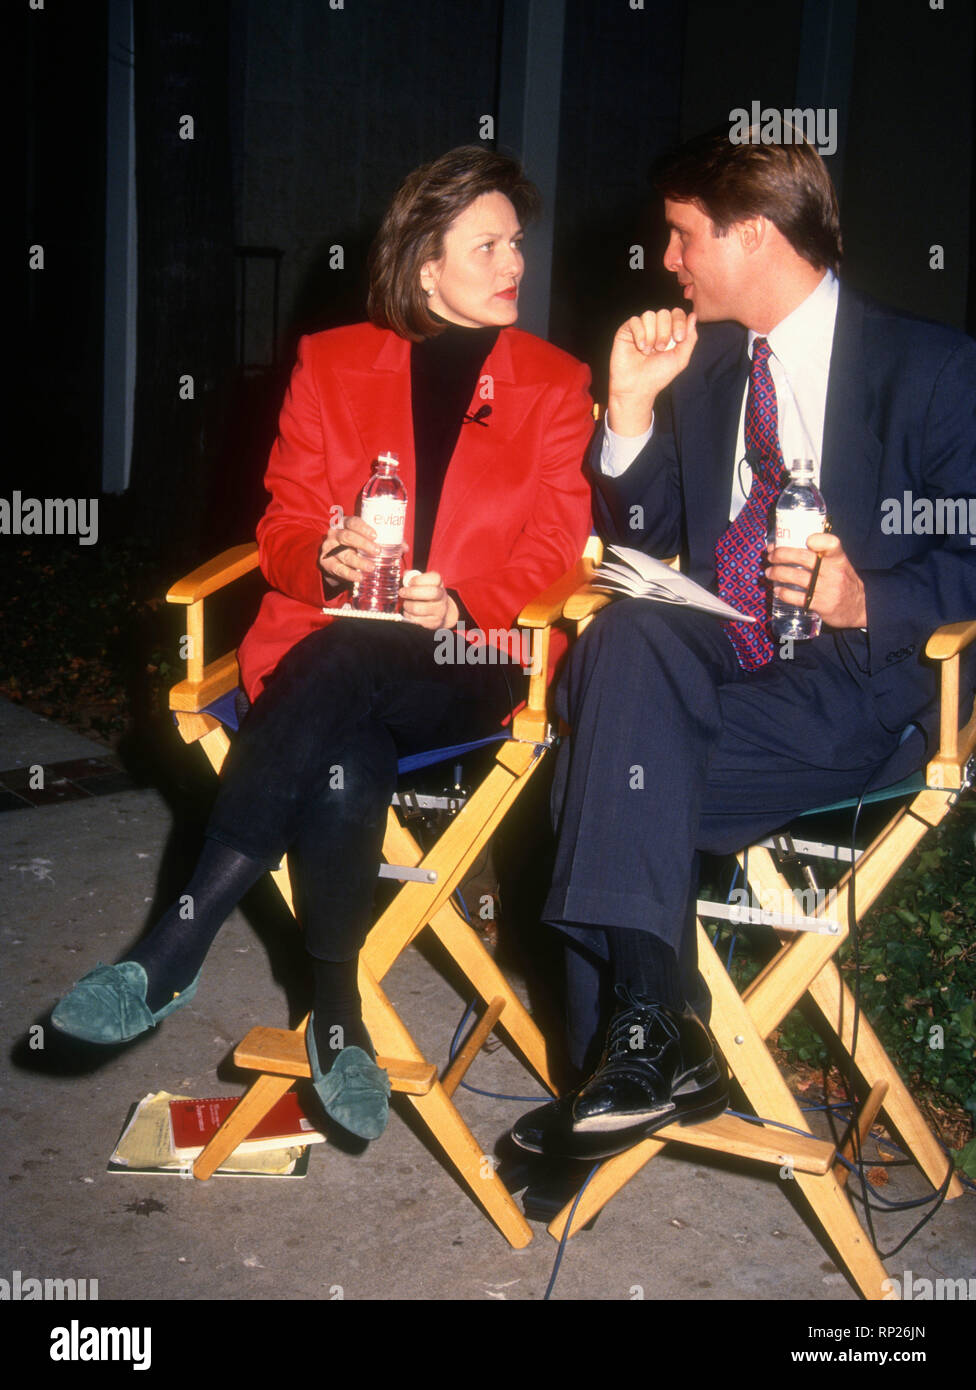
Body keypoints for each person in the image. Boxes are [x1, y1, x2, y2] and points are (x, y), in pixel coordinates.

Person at [53, 146, 594, 1142]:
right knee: (343, 753)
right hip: (332, 646)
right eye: (488, 244)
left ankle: (175, 943)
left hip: (470, 660)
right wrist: (330, 560)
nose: (514, 260)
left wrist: (462, 601)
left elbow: (558, 553)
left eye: (516, 242)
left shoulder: (554, 383)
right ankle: (338, 1016)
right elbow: (283, 525)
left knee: (341, 668)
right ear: (425, 262)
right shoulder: (333, 361)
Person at [511, 126, 976, 1161]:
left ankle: (618, 1061)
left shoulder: (931, 368)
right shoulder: (711, 366)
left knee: (590, 781)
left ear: (755, 235)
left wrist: (871, 595)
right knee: (628, 640)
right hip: (716, 660)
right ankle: (640, 1052)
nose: (665, 261)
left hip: (855, 690)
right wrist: (627, 412)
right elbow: (646, 548)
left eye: (682, 237)